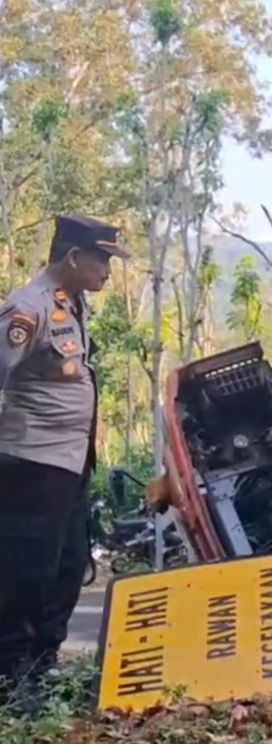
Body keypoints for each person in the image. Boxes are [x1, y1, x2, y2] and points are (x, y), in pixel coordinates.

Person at [0, 215, 129, 710]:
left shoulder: (70, 304)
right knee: (25, 571)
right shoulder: (27, 309)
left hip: (70, 465)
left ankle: (41, 664)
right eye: (103, 259)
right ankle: (10, 677)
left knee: (69, 564)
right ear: (74, 258)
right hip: (31, 464)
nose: (108, 271)